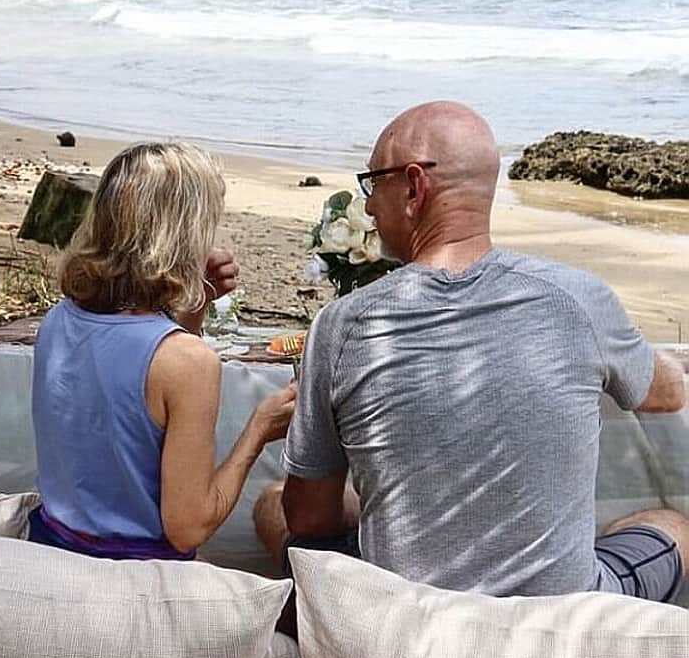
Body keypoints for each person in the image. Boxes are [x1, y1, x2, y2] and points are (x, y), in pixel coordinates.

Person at [255, 101, 687, 600]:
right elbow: (667, 395)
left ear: (414, 187)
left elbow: (308, 518)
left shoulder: (342, 325)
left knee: (273, 502)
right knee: (670, 524)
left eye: (373, 184)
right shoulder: (578, 300)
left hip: (406, 620)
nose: (369, 206)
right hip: (561, 617)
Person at [27, 141, 297, 560]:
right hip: (133, 573)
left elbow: (136, 408)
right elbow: (188, 528)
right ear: (186, 234)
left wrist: (194, 306)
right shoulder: (187, 362)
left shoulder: (58, 321)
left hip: (53, 545)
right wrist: (259, 431)